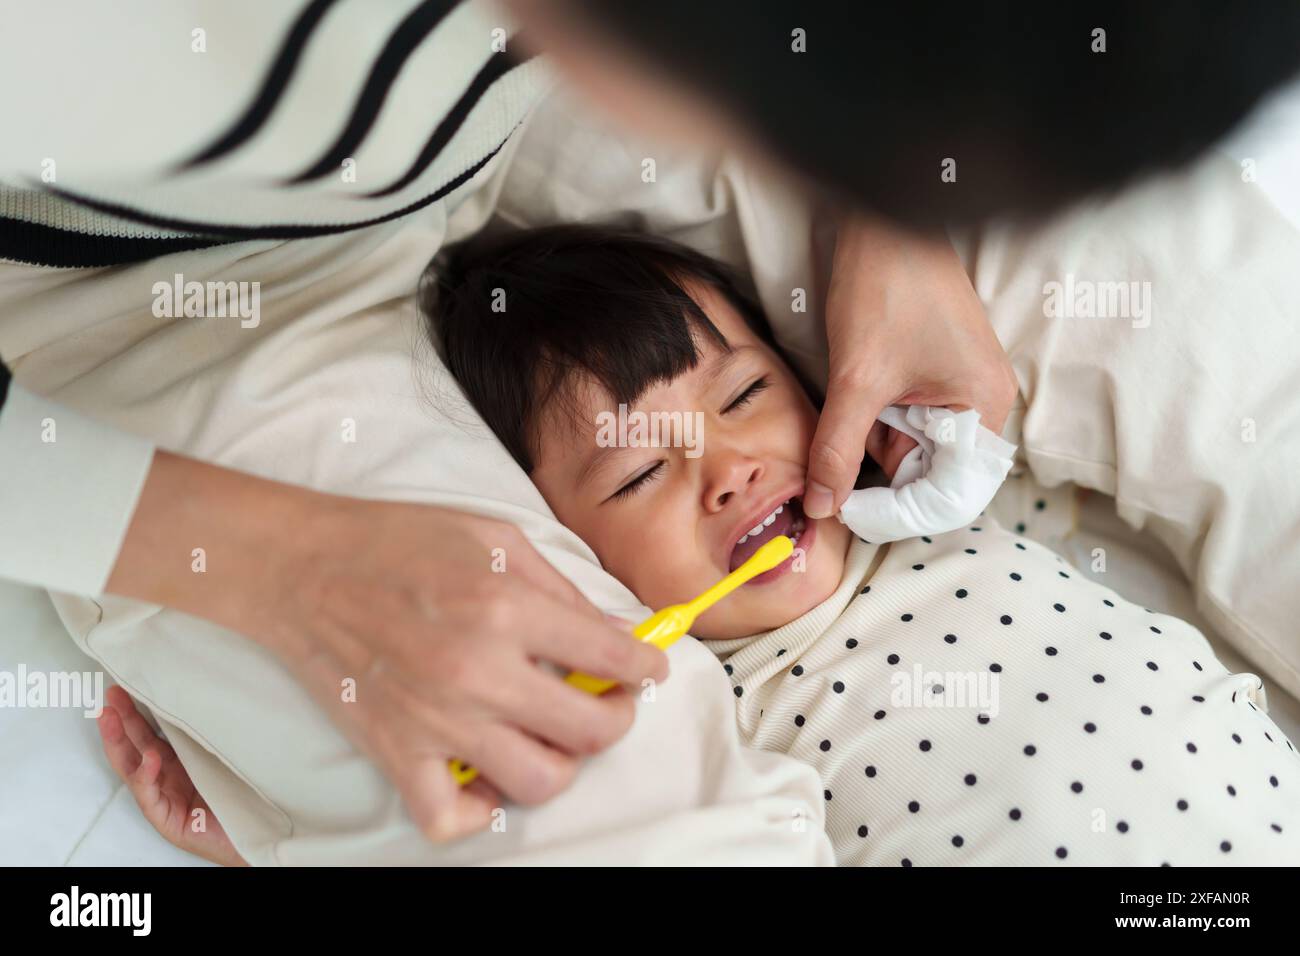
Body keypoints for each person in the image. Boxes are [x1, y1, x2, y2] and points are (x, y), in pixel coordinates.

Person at [5, 0, 1298, 843]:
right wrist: (272, 564)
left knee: (1113, 286)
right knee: (544, 758)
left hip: (493, 94)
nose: (731, 466)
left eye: (747, 397)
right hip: (151, 304)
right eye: (634, 487)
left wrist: (888, 208)